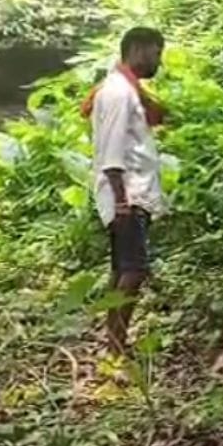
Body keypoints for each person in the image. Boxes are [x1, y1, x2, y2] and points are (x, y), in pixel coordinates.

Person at [81, 27, 167, 355]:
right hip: (127, 194)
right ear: (137, 50)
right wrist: (121, 200)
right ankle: (116, 346)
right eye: (156, 53)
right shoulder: (119, 92)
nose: (159, 60)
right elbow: (113, 147)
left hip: (129, 193)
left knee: (122, 269)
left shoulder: (123, 89)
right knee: (134, 269)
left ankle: (114, 341)